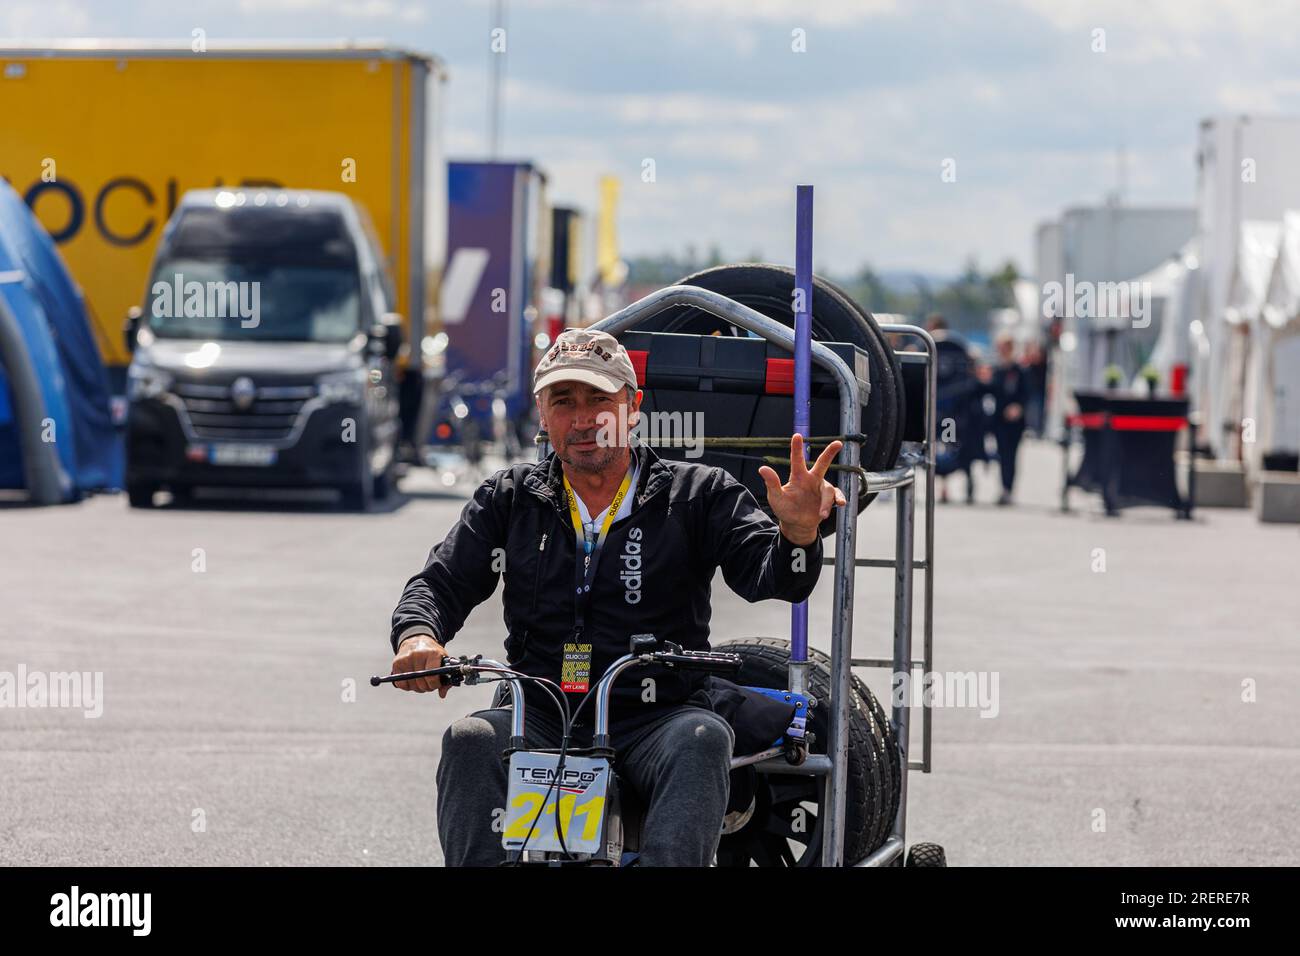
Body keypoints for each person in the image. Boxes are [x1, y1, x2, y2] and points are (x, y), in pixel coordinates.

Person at [387, 327, 847, 866]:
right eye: (564, 402)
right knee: (468, 738)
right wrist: (419, 636)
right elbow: (439, 583)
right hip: (539, 710)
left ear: (633, 407)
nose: (583, 419)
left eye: (599, 400)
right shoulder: (508, 497)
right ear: (542, 413)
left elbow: (773, 577)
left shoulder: (700, 492)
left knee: (702, 738)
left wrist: (796, 534)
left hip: (658, 714)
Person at [986, 333, 1029, 505]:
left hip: (1015, 422)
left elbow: (1027, 393)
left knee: (1012, 454)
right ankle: (1004, 488)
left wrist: (1018, 407)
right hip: (999, 419)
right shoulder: (997, 370)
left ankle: (1009, 488)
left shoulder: (1020, 370)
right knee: (1002, 454)